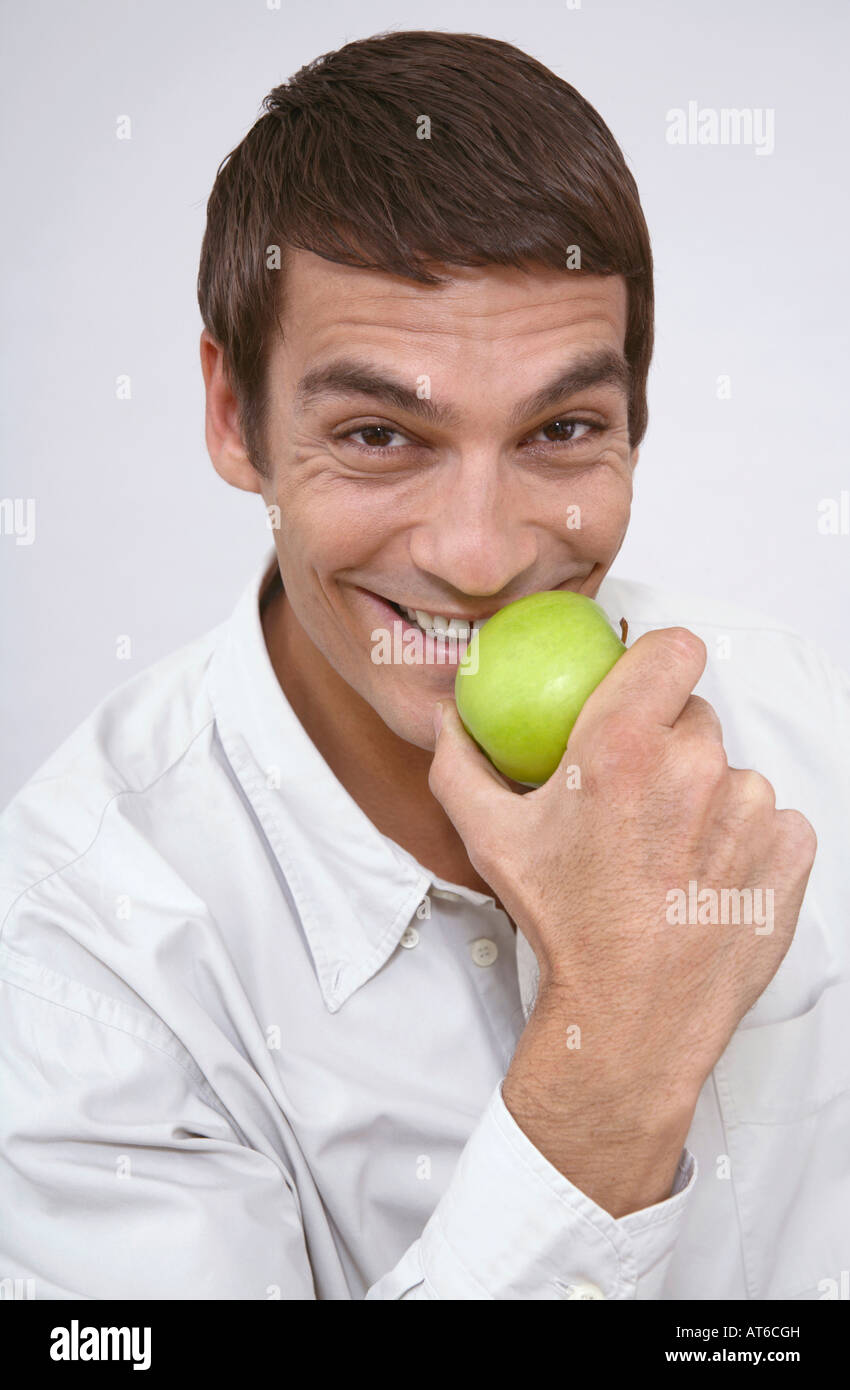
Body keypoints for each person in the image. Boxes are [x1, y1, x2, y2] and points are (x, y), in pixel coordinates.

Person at [1, 30, 847, 1302]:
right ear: (235, 416)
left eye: (561, 430)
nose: (476, 555)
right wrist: (610, 1059)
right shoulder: (79, 965)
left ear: (635, 418)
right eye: (380, 434)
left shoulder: (808, 722)